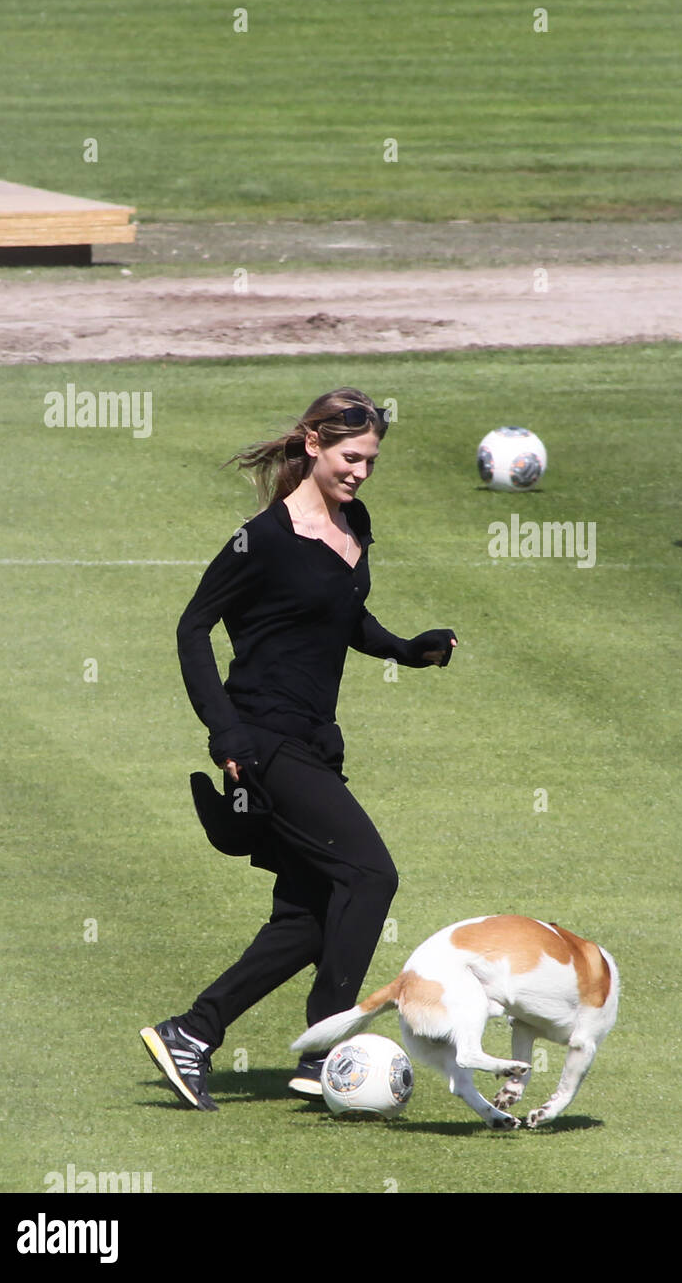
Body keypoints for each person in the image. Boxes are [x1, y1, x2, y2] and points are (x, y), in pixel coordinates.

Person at [140, 388, 457, 1111]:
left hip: (315, 742)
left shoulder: (353, 523)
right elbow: (193, 629)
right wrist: (226, 735)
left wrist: (405, 650)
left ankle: (192, 1033)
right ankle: (326, 1048)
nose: (361, 472)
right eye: (350, 457)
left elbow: (340, 613)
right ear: (313, 445)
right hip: (264, 743)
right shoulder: (264, 539)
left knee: (309, 918)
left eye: (371, 459)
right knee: (370, 877)